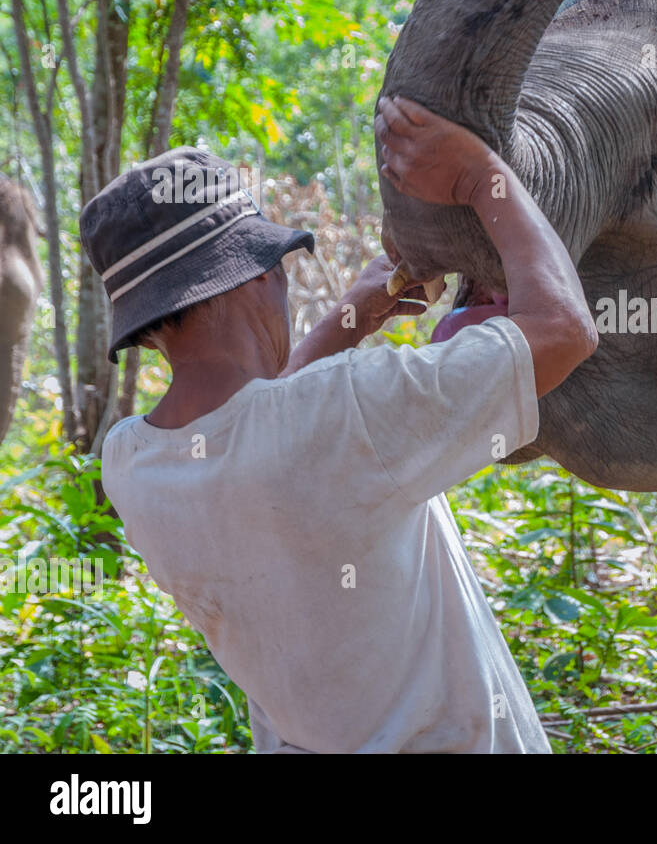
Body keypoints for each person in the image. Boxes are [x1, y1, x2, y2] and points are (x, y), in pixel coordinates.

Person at [83, 95, 597, 752]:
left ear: (149, 328)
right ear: (251, 276)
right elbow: (563, 331)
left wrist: (359, 313)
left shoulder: (130, 463)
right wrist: (479, 176)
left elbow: (263, 428)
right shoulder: (344, 414)